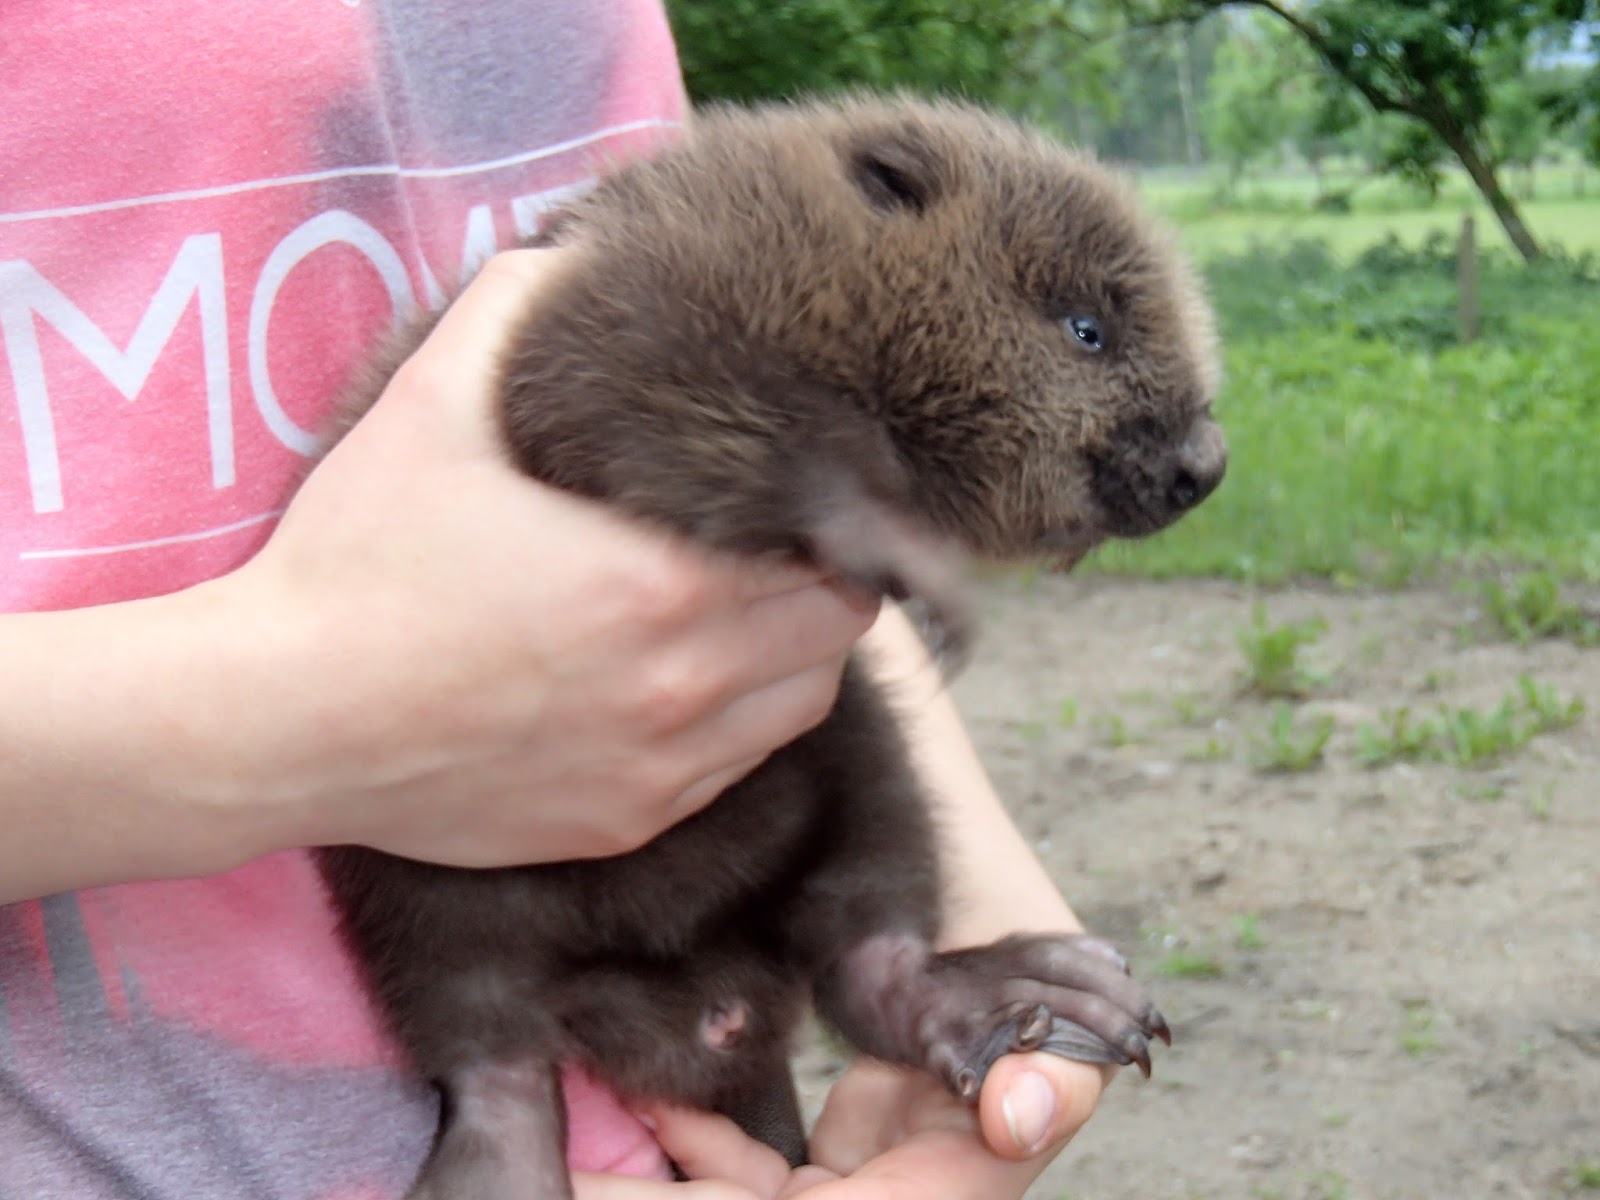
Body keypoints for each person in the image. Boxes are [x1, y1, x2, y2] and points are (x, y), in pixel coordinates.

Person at [0, 3, 1114, 1197]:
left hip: (704, 1128)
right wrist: (324, 706)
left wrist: (943, 925)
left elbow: (731, 517)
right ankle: (497, 1088)